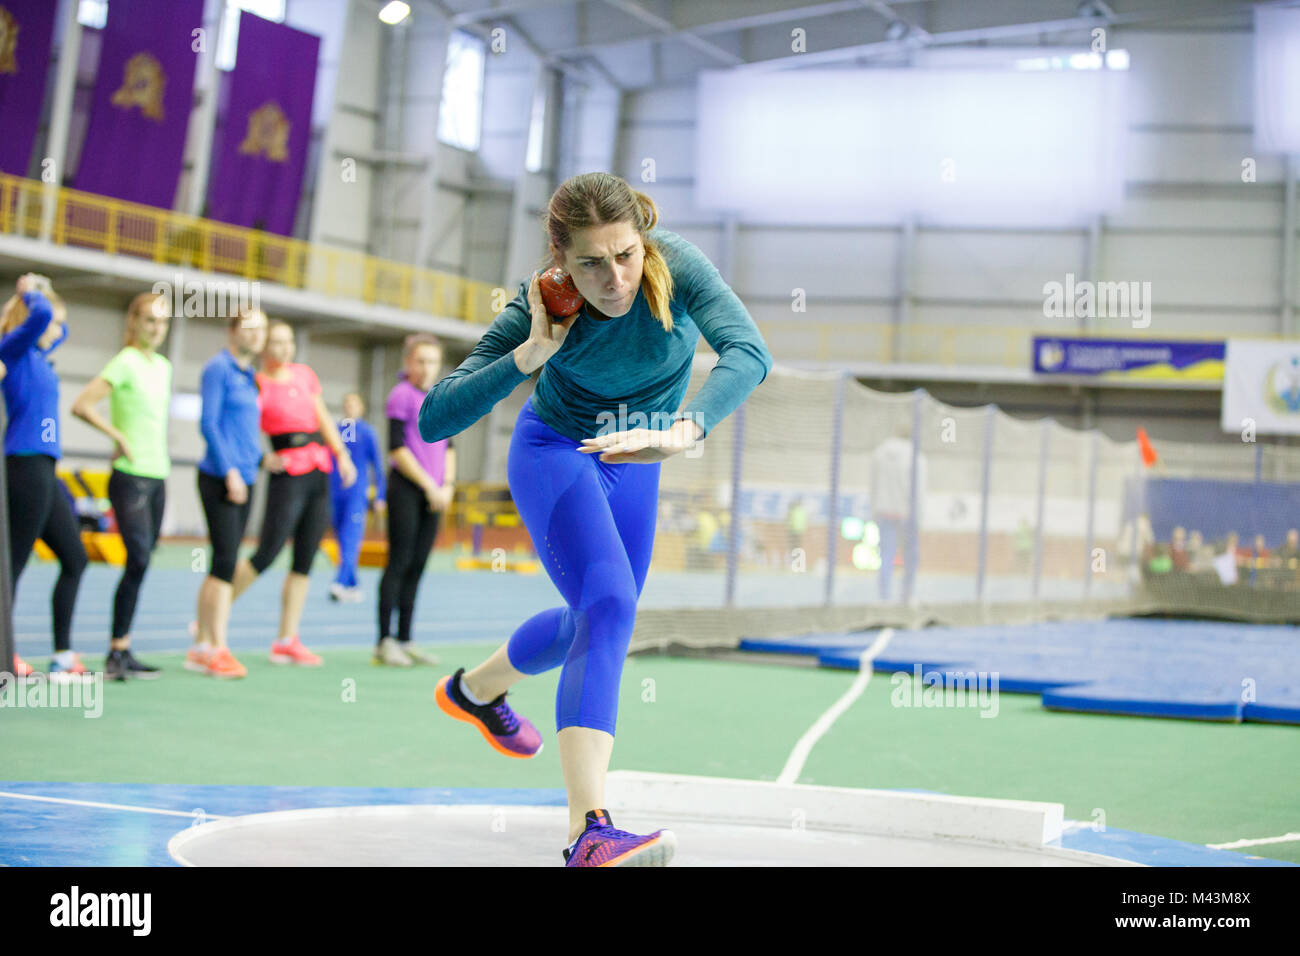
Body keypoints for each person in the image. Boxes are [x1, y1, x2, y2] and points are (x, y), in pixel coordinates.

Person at [420, 172, 772, 867]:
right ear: (560, 260)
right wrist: (526, 358)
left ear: (643, 241)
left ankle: (475, 689)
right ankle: (590, 830)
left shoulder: (677, 264)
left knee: (599, 612)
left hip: (637, 457)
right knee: (608, 605)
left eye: (625, 255)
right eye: (590, 263)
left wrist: (688, 425)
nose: (613, 278)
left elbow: (749, 353)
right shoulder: (542, 306)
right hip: (556, 449)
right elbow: (436, 417)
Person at [227, 321, 356, 665]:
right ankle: (213, 618)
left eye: (288, 342)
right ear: (264, 347)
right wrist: (260, 457)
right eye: (276, 343)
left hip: (319, 468)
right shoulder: (257, 383)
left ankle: (287, 639)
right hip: (287, 472)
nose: (283, 349)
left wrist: (342, 454)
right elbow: (242, 425)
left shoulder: (304, 375)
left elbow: (322, 417)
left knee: (305, 558)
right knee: (267, 552)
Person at [71, 292, 172, 681]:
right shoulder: (125, 361)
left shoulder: (162, 366)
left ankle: (122, 648)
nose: (156, 328)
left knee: (141, 562)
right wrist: (117, 436)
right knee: (139, 557)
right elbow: (82, 404)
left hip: (158, 473)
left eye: (162, 322)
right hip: (129, 475)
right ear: (134, 323)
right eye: (149, 320)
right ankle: (115, 653)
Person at [0, 274, 88, 680]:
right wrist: (30, 290)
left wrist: (45, 292)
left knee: (75, 557)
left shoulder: (38, 354)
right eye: (52, 322)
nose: (58, 330)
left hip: (46, 468)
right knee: (12, 565)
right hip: (25, 463)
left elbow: (59, 324)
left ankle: (63, 657)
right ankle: (4, 657)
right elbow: (44, 315)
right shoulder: (15, 350)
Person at [189, 308, 272, 679]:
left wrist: (262, 460)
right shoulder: (218, 369)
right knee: (225, 562)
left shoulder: (251, 376)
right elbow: (208, 423)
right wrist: (231, 471)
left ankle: (202, 646)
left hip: (247, 476)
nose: (257, 336)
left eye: (262, 330)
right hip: (221, 479)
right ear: (233, 331)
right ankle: (218, 648)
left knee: (220, 564)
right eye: (250, 328)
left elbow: (245, 431)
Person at [373, 335, 452, 667]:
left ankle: (406, 638)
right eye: (420, 361)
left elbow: (450, 446)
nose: (426, 368)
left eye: (432, 362)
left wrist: (447, 485)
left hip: (435, 494)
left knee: (418, 565)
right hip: (407, 488)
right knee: (399, 561)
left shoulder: (441, 396)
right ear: (408, 363)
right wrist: (427, 485)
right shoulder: (400, 396)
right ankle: (384, 641)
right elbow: (396, 447)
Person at [329, 392, 386, 604]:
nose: (349, 407)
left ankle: (339, 581)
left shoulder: (368, 433)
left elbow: (378, 467)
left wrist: (380, 495)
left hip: (356, 493)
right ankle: (352, 585)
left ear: (361, 408)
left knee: (350, 537)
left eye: (354, 403)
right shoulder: (336, 431)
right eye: (347, 403)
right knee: (341, 539)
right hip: (335, 492)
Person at [871, 422, 927, 602]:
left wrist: (875, 509)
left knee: (886, 555)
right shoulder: (916, 456)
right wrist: (919, 517)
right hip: (906, 513)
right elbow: (919, 489)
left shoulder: (879, 453)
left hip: (883, 510)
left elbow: (874, 484)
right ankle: (907, 595)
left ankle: (884, 597)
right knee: (910, 557)